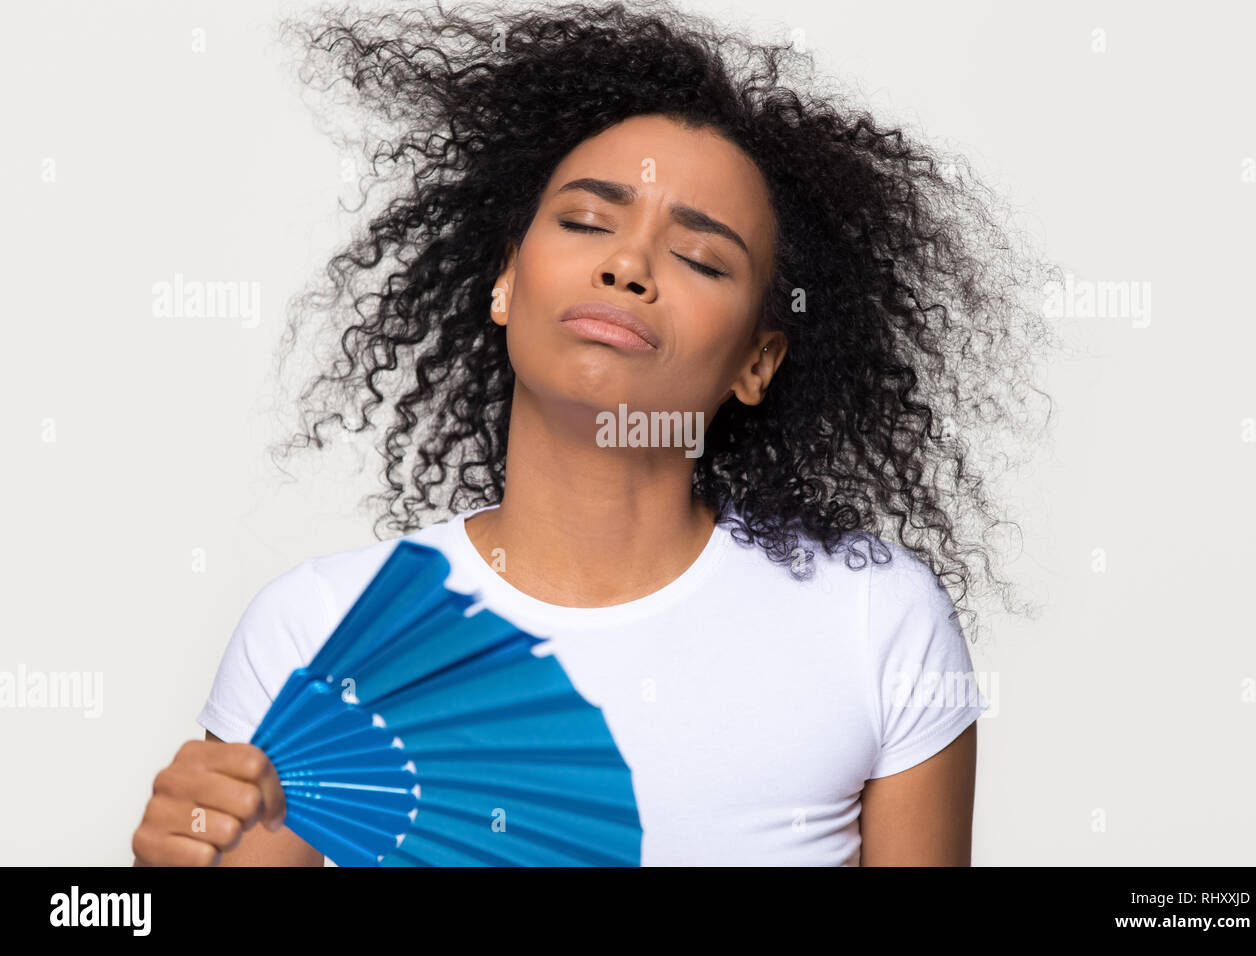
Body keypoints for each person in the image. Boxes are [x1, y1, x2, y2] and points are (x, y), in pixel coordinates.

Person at [132, 0, 1056, 867]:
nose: (627, 264)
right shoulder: (320, 629)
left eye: (699, 258)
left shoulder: (873, 618)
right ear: (504, 282)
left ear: (758, 360)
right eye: (584, 221)